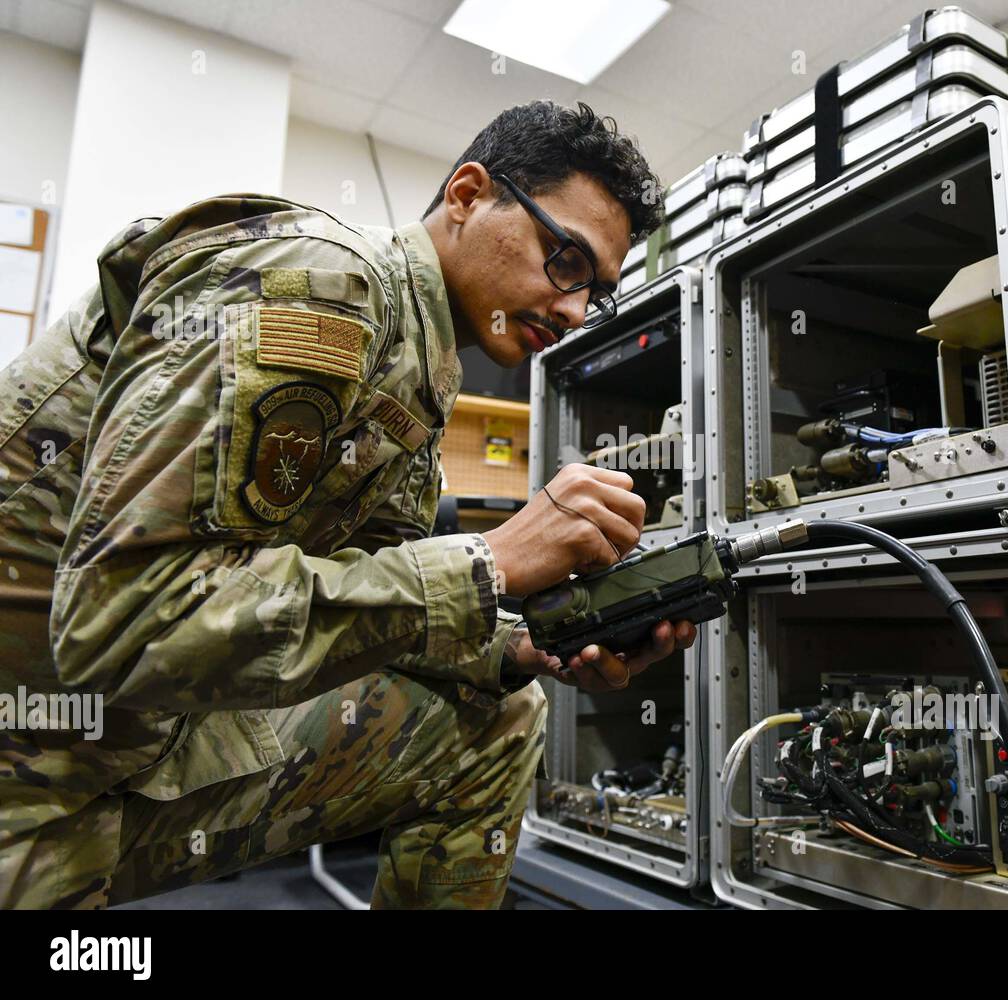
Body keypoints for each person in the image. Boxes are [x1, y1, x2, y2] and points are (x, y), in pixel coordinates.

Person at [0, 100, 697, 909]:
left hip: (129, 743)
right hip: (31, 774)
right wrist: (489, 562)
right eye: (565, 260)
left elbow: (360, 604)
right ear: (468, 195)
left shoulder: (415, 372)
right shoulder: (321, 286)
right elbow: (120, 622)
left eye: (597, 294)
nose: (574, 311)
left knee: (501, 714)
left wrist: (518, 649)